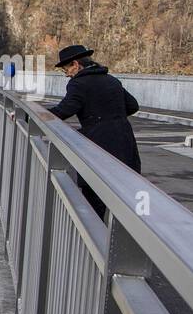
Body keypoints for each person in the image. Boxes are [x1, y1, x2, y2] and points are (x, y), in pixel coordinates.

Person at [46, 45, 141, 219]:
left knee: (95, 202)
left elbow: (64, 111)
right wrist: (110, 117)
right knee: (124, 199)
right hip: (126, 145)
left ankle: (98, 235)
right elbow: (133, 106)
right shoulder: (111, 80)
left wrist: (32, 116)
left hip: (98, 149)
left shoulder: (78, 84)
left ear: (76, 64)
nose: (67, 75)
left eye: (66, 70)